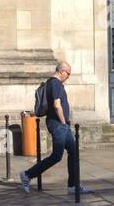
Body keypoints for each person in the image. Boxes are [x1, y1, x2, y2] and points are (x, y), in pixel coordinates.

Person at [18, 61, 87, 196]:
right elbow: (57, 105)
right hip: (58, 125)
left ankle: (73, 186)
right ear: (62, 72)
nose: (68, 77)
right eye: (68, 74)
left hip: (61, 125)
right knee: (56, 156)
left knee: (74, 152)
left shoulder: (52, 83)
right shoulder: (55, 84)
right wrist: (63, 122)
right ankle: (27, 174)